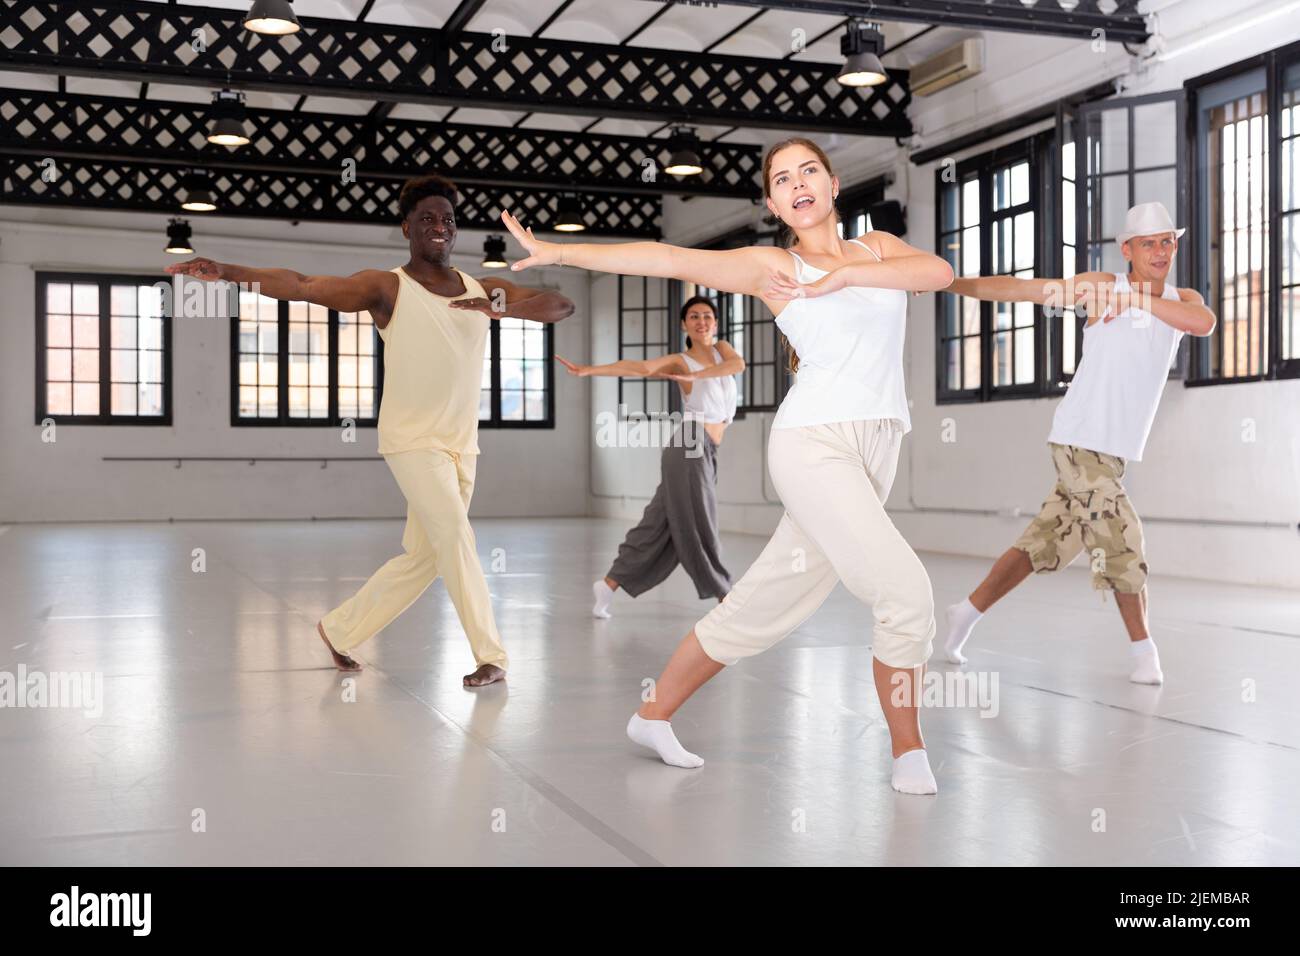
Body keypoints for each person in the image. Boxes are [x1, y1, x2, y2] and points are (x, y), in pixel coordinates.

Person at [503, 137, 954, 793]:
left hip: (878, 443)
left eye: (808, 172)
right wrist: (562, 252)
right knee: (905, 593)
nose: (797, 184)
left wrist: (848, 276)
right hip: (813, 446)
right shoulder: (773, 265)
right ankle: (909, 753)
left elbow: (938, 272)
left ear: (831, 184)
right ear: (772, 202)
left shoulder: (878, 249)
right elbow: (668, 257)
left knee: (766, 601)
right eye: (781, 179)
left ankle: (652, 714)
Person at [167, 174, 574, 687]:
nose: (439, 227)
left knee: (426, 556)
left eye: (448, 220)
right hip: (411, 440)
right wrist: (227, 271)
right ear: (407, 227)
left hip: (461, 445)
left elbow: (561, 306)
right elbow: (304, 286)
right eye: (426, 219)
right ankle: (492, 655)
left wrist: (499, 305)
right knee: (456, 536)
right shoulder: (387, 287)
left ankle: (339, 630)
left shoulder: (481, 288)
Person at [941, 201, 1216, 685]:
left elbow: (1204, 323)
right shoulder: (1103, 288)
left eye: (1167, 241)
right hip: (1078, 440)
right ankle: (1143, 652)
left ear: (1176, 244)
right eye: (1147, 243)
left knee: (1042, 544)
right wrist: (948, 283)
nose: (1159, 251)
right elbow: (1022, 290)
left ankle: (964, 613)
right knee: (1123, 536)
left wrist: (1137, 303)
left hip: (1112, 452)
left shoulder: (1182, 298)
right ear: (1126, 249)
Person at [557, 295, 742, 617]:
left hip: (706, 450)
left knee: (659, 524)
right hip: (690, 443)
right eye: (694, 317)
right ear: (684, 324)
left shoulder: (723, 351)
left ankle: (610, 583)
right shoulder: (680, 361)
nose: (702, 321)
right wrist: (589, 370)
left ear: (715, 323)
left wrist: (696, 378)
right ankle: (725, 595)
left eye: (707, 316)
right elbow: (640, 368)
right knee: (702, 521)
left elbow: (737, 365)